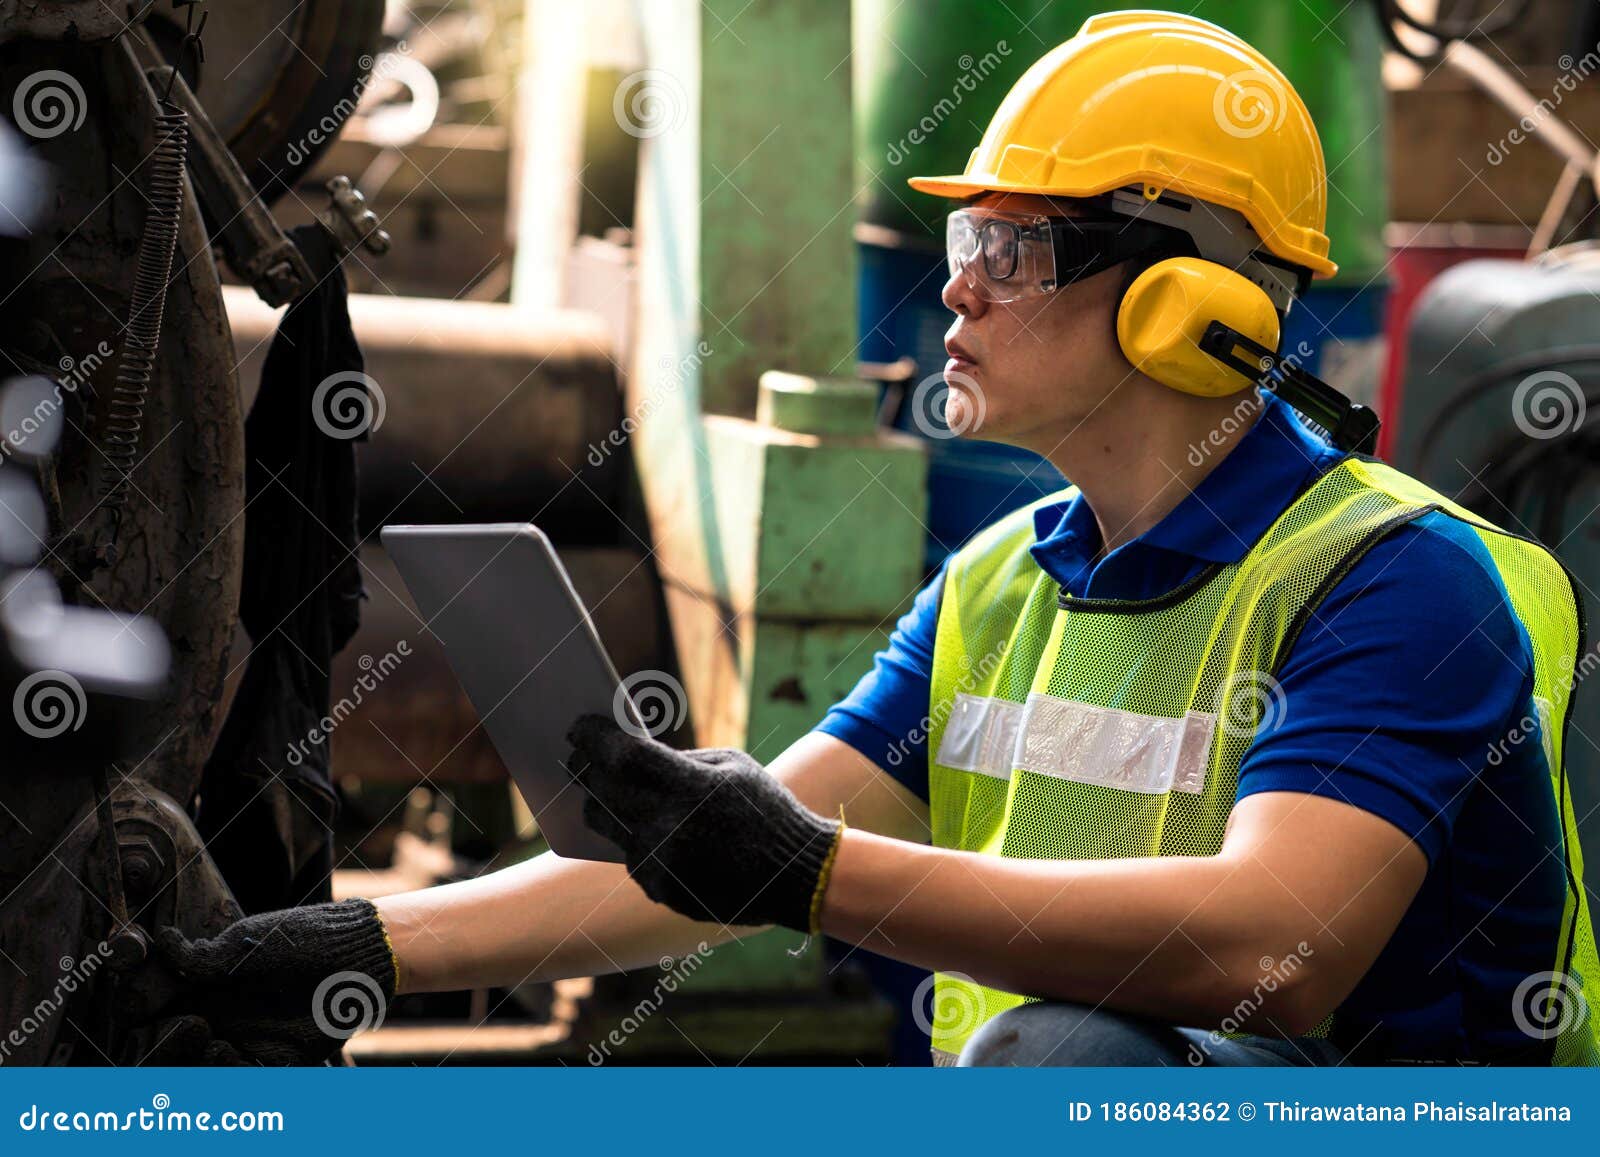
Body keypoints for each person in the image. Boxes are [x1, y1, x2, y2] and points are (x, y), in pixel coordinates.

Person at [157, 11, 1598, 1067]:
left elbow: (1273, 951)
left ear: (1186, 307)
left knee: (1067, 1067)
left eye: (1007, 251)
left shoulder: (1393, 581)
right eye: (960, 249)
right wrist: (367, 949)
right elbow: (711, 867)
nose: (954, 295)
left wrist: (819, 875)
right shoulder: (1000, 583)